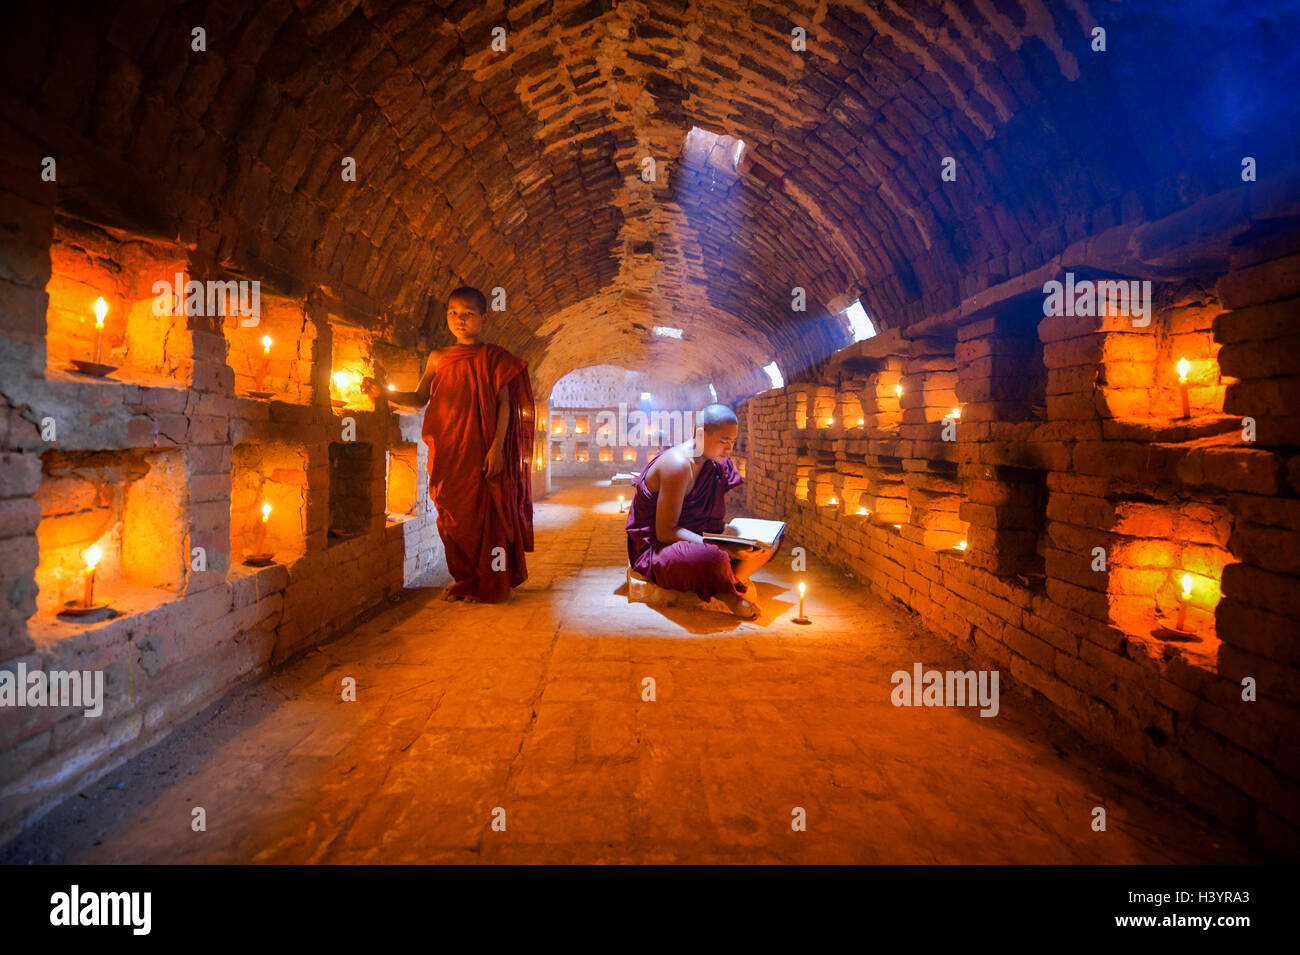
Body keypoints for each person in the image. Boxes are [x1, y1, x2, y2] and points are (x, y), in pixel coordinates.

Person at [364, 286, 534, 602]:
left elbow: (504, 404)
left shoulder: (493, 357)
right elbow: (418, 398)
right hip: (447, 450)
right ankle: (467, 580)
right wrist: (383, 392)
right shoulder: (438, 357)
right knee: (451, 517)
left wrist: (497, 448)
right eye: (453, 313)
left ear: (483, 319)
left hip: (481, 450)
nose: (459, 320)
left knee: (484, 517)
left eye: (468, 314)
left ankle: (488, 584)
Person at [625, 403, 774, 619]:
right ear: (701, 435)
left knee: (769, 542)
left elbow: (711, 520)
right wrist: (722, 547)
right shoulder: (678, 465)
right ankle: (728, 592)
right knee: (713, 559)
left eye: (733, 442)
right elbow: (666, 532)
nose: (729, 449)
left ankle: (729, 579)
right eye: (724, 441)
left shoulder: (713, 463)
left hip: (699, 537)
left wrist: (732, 541)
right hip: (659, 548)